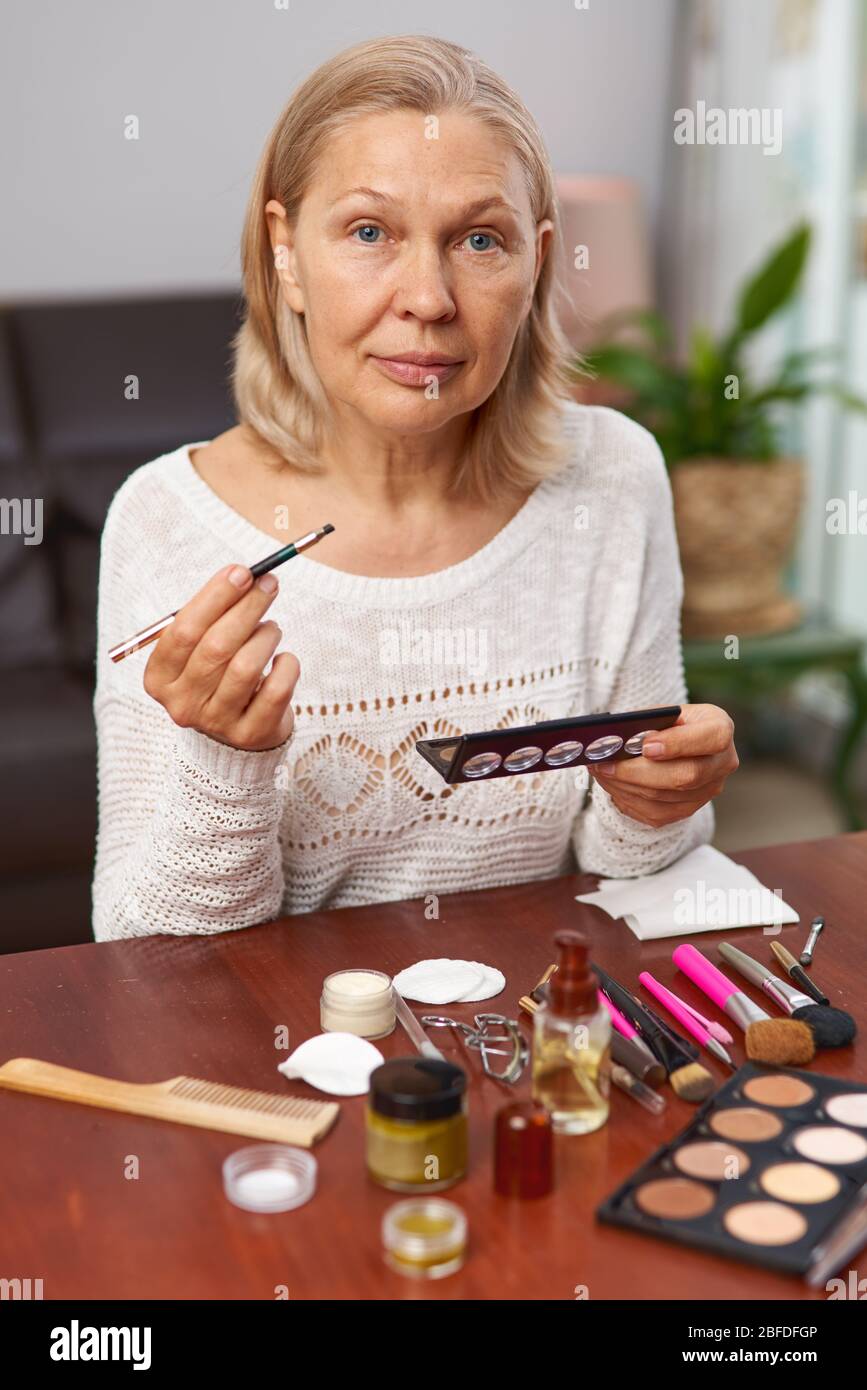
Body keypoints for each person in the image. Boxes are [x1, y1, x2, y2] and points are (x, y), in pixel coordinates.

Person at [92, 35, 737, 941]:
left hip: (530, 1043)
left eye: (480, 240)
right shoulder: (163, 518)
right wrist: (224, 767)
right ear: (285, 252)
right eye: (368, 233)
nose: (428, 298)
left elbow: (630, 876)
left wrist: (658, 801)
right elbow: (140, 955)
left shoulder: (615, 477)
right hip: (293, 1065)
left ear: (537, 261)